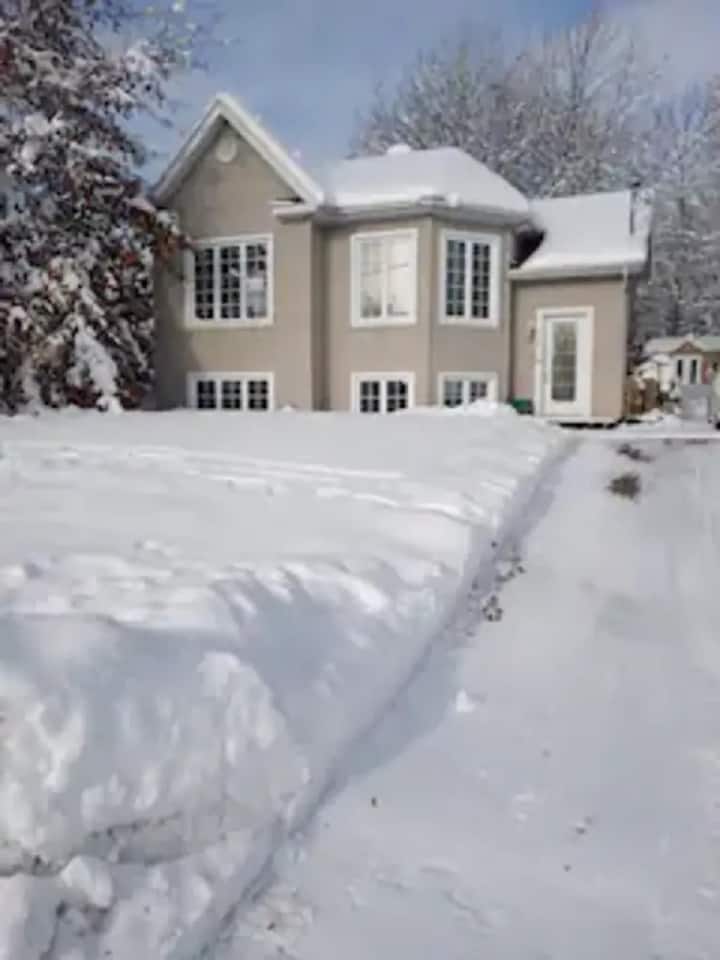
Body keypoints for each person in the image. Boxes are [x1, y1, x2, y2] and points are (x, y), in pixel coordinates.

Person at [711, 362, 720, 427]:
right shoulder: (713, 374)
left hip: (717, 394)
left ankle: (717, 423)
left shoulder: (718, 375)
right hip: (715, 394)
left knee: (717, 409)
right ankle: (717, 423)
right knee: (715, 409)